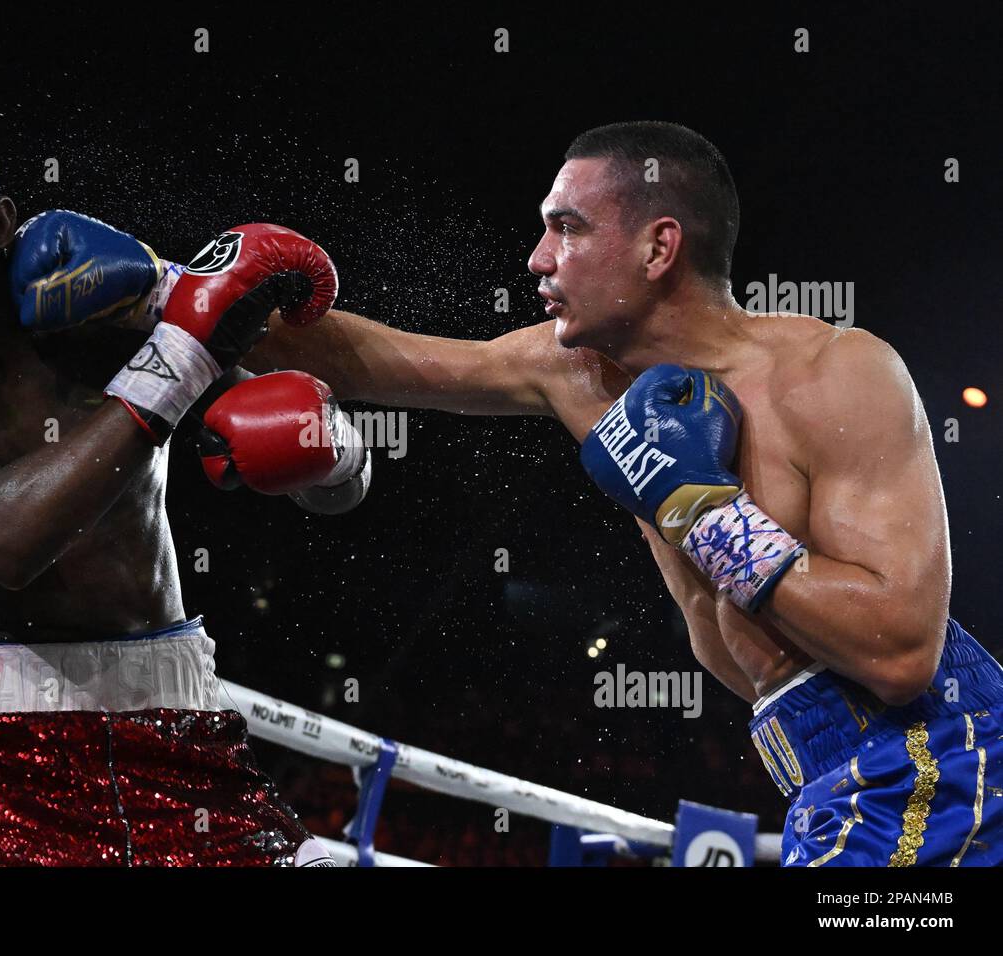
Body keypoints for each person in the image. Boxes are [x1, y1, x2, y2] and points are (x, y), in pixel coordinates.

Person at [245, 121, 1003, 867]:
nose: (539, 258)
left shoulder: (834, 374)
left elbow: (901, 650)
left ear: (658, 248)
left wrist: (700, 508)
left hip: (932, 757)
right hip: (823, 774)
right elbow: (388, 364)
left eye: (566, 228)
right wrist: (182, 301)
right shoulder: (575, 372)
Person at [0, 103, 366, 867]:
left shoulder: (101, 315)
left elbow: (334, 485)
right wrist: (180, 356)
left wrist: (335, 454)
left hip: (186, 735)